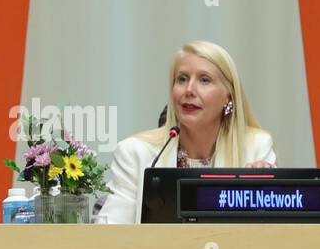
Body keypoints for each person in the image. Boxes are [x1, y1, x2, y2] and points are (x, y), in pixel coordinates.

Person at [100, 40, 275, 224]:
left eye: (204, 80)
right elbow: (110, 234)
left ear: (228, 97)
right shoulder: (135, 153)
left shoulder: (255, 147)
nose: (189, 90)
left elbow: (274, 236)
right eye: (182, 79)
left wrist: (265, 194)